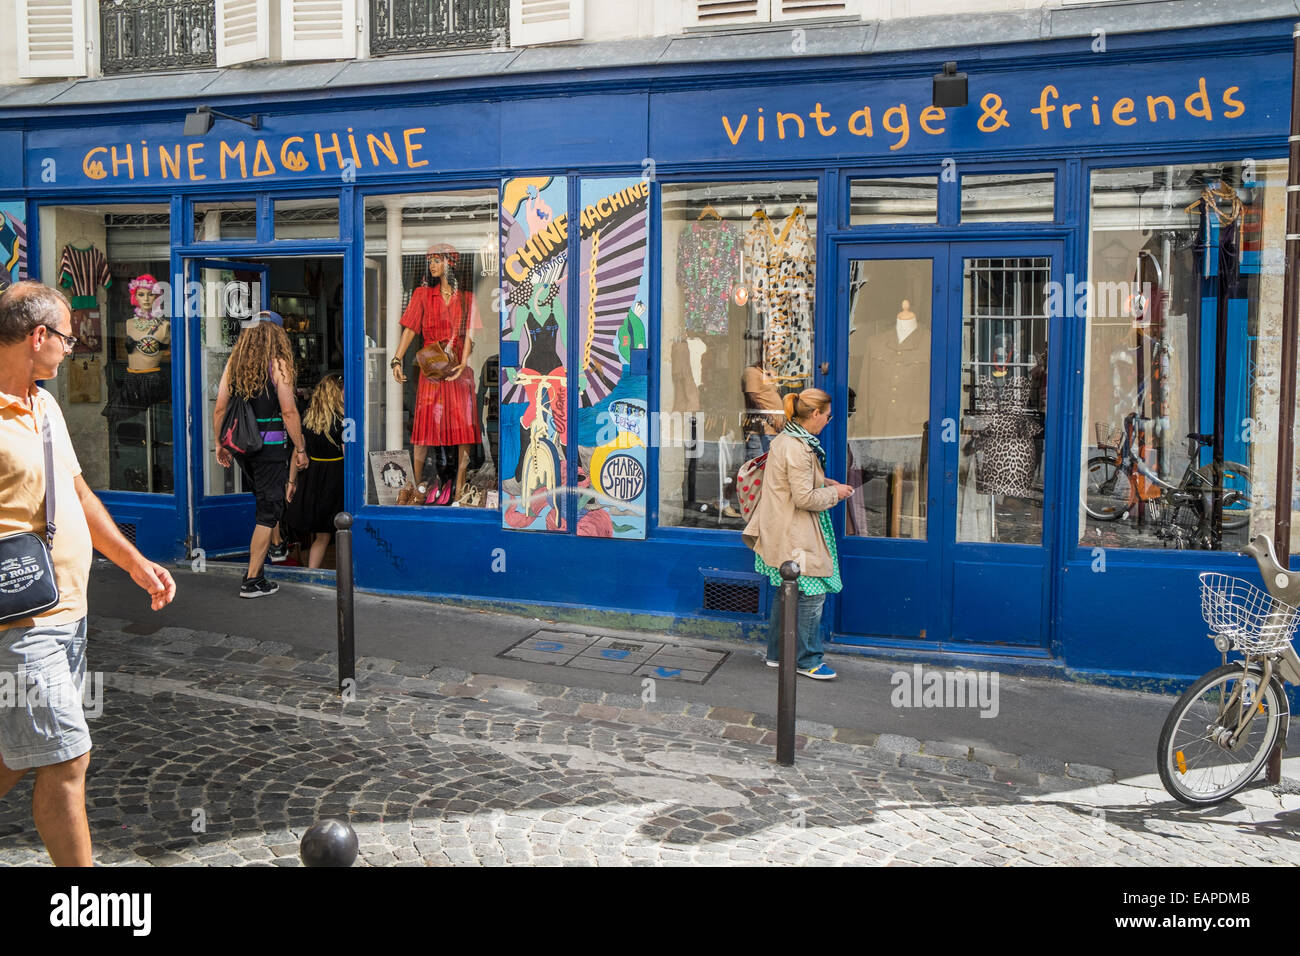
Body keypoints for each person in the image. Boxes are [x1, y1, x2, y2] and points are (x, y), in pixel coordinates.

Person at [0, 281, 175, 866]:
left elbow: (76, 495)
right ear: (38, 336)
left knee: (18, 753)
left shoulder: (42, 404)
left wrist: (134, 562)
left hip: (68, 611)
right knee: (68, 757)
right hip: (19, 624)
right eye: (68, 339)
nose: (72, 351)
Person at [742, 387, 853, 680]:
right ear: (814, 414)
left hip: (781, 528)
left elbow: (791, 481)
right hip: (795, 530)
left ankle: (778, 655)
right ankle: (808, 660)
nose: (829, 421)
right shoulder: (798, 447)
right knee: (811, 595)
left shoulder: (788, 439)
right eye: (827, 416)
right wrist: (836, 492)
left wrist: (823, 479)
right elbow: (804, 498)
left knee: (786, 592)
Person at [213, 311, 308, 597]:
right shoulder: (278, 365)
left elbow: (220, 408)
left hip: (244, 449)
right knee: (268, 513)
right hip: (270, 449)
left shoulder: (235, 363)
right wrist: (301, 448)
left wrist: (220, 443)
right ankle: (252, 579)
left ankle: (260, 575)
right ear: (277, 335)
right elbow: (289, 411)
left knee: (264, 506)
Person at [390, 243, 481, 505]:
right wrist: (397, 358)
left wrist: (463, 364)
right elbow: (410, 329)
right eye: (430, 260)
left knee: (463, 431)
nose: (432, 265)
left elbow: (471, 338)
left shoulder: (467, 299)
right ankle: (417, 486)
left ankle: (461, 485)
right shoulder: (421, 295)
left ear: (450, 263)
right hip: (432, 372)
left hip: (458, 373)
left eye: (437, 260)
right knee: (424, 430)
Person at [284, 373, 344, 569]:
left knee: (322, 534)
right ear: (335, 393)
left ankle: (312, 572)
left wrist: (291, 482)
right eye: (343, 390)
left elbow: (296, 451)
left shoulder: (308, 420)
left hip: (313, 479)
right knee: (344, 529)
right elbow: (348, 454)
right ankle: (347, 573)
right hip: (336, 478)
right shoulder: (343, 421)